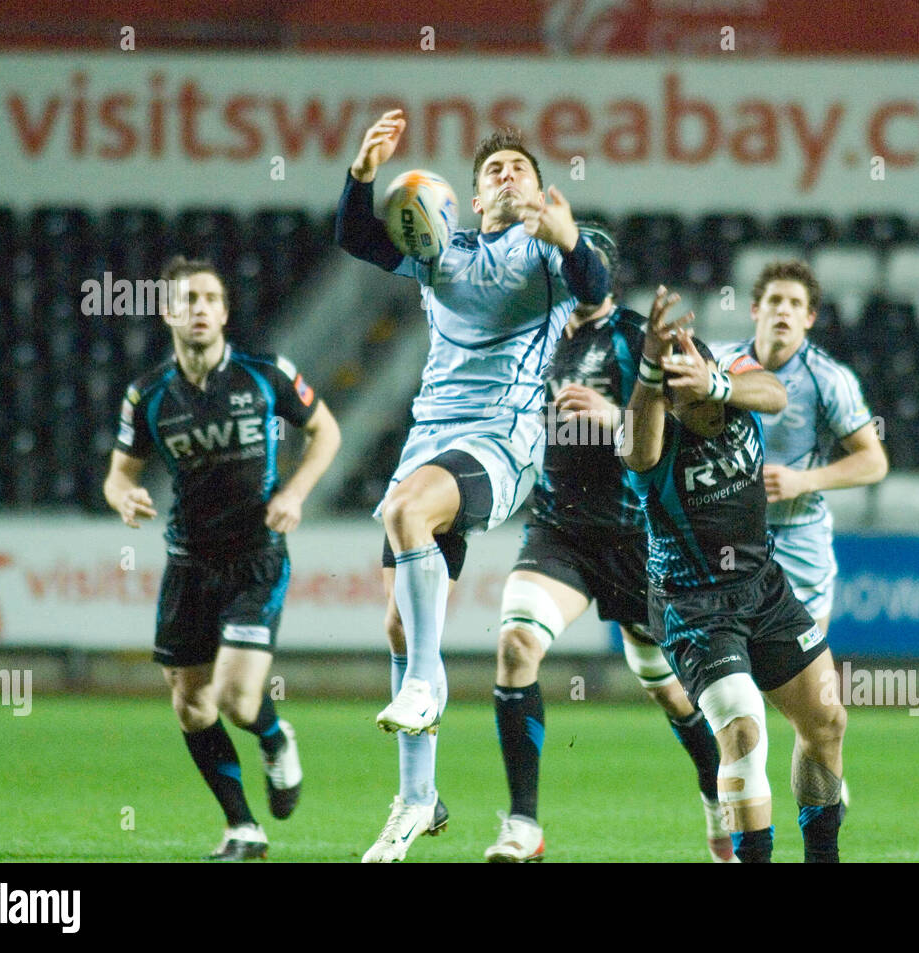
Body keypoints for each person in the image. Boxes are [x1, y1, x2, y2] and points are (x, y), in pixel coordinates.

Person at [336, 110, 609, 862]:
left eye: (521, 169)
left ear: (541, 192)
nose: (507, 177)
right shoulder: (440, 248)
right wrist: (363, 174)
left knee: (403, 510)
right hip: (430, 437)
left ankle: (425, 685)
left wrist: (569, 235)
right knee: (397, 624)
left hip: (503, 441)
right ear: (473, 195)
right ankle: (418, 800)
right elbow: (357, 238)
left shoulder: (551, 252)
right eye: (495, 170)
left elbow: (596, 286)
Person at [485, 226, 787, 863]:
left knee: (676, 697)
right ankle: (522, 824)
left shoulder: (639, 339)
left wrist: (611, 415)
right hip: (559, 529)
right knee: (516, 644)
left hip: (639, 539)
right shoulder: (527, 340)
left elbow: (689, 419)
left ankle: (714, 796)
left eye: (573, 264)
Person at [103, 255, 342, 860]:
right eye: (187, 300)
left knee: (236, 699)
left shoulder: (265, 373)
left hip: (256, 558)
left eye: (210, 298)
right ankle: (244, 828)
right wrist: (123, 496)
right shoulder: (147, 394)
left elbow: (327, 432)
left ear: (225, 311)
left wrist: (293, 493)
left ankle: (274, 735)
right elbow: (117, 474)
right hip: (187, 563)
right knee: (190, 704)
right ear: (167, 313)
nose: (200, 309)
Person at [620, 286, 845, 863]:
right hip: (694, 606)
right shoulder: (652, 430)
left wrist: (715, 382)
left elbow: (773, 392)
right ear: (670, 402)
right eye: (692, 399)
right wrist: (651, 372)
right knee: (744, 733)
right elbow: (638, 451)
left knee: (825, 718)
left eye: (711, 386)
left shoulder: (732, 383)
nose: (713, 413)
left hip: (763, 586)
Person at [713, 261, 888, 858]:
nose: (784, 311)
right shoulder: (723, 367)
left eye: (796, 304)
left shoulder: (828, 380)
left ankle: (817, 788)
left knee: (807, 709)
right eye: (775, 301)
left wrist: (805, 479)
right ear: (756, 309)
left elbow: (873, 460)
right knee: (744, 712)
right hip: (729, 557)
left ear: (809, 319)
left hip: (801, 555)